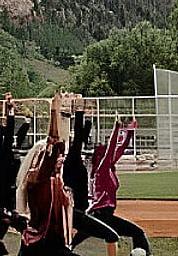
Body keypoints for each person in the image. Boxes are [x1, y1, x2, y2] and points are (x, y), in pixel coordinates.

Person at [72, 117, 149, 256]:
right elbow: (112, 149)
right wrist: (117, 127)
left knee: (74, 242)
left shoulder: (101, 169)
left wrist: (130, 130)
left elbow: (119, 148)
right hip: (102, 214)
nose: (114, 155)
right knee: (138, 233)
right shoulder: (102, 169)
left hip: (96, 214)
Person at [17, 96, 72, 256]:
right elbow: (54, 144)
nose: (60, 159)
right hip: (41, 241)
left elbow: (58, 147)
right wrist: (54, 112)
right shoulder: (38, 176)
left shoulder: (53, 179)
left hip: (50, 239)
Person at [62, 108, 117, 256]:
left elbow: (81, 137)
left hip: (79, 205)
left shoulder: (72, 160)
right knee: (106, 233)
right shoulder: (72, 159)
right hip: (77, 207)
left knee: (81, 231)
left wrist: (87, 123)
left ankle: (69, 245)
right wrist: (80, 114)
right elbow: (79, 137)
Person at [0, 94, 30, 240]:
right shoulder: (4, 157)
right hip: (8, 200)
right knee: (19, 225)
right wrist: (10, 110)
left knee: (1, 227)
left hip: (4, 199)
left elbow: (12, 135)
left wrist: (10, 112)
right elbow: (9, 132)